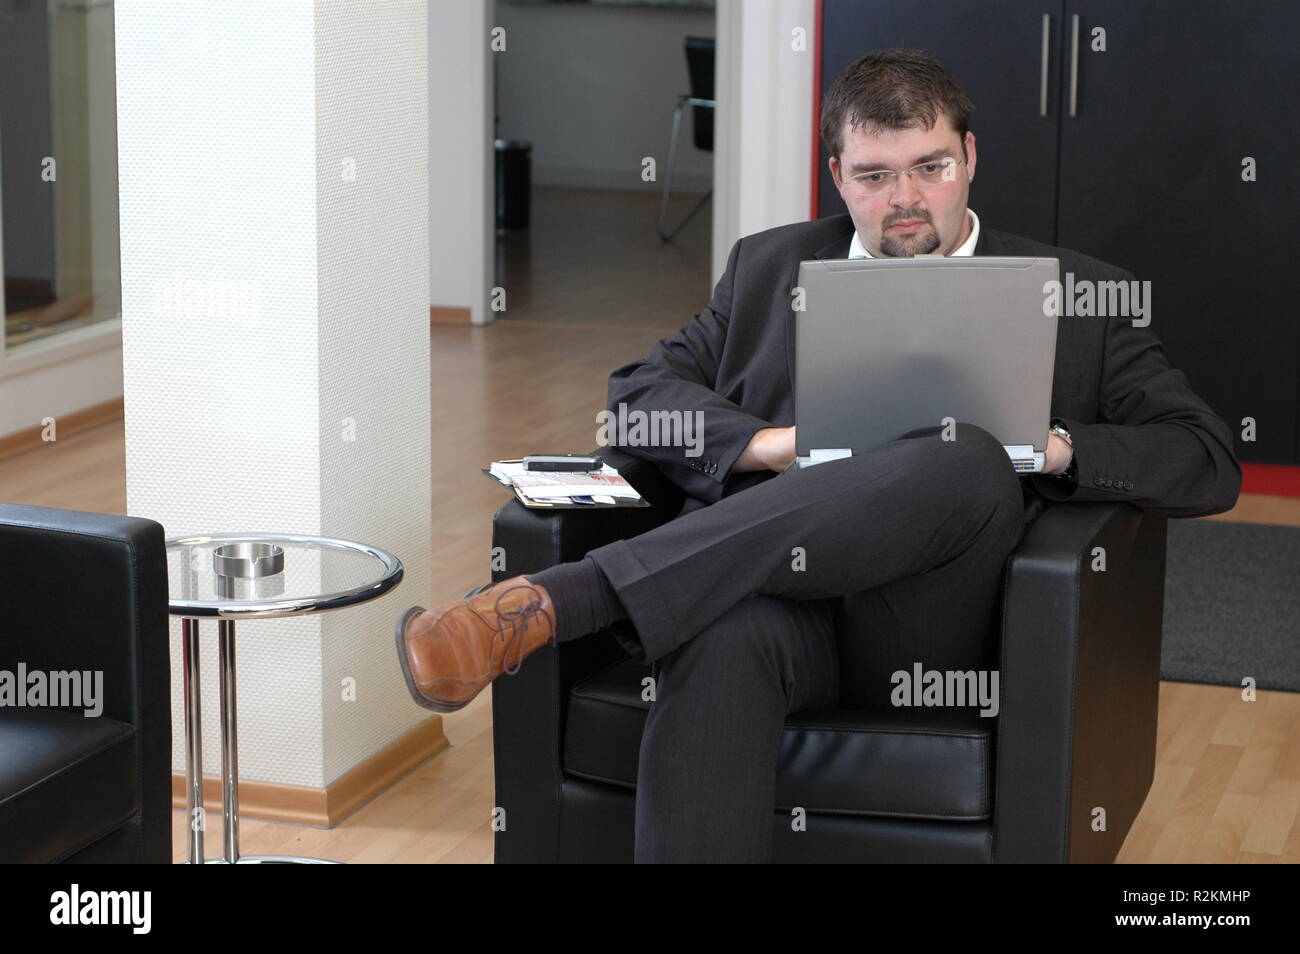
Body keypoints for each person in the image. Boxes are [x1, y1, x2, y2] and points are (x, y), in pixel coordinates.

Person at [393, 49, 1241, 863]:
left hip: (926, 634)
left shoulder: (1078, 294)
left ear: (970, 158)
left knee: (968, 455)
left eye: (930, 167)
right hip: (771, 607)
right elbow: (636, 397)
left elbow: (1205, 459)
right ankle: (592, 599)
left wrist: (1050, 447)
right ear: (837, 175)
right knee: (719, 634)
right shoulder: (770, 269)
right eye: (875, 175)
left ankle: (563, 600)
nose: (906, 199)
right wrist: (770, 446)